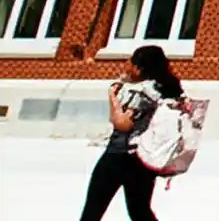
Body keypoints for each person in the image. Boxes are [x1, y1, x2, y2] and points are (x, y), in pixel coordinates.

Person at [79, 44, 185, 221]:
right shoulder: (165, 90)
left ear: (139, 68)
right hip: (144, 159)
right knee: (139, 211)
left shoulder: (143, 92)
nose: (126, 66)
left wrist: (112, 97)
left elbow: (123, 124)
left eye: (130, 63)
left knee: (93, 211)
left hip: (120, 155)